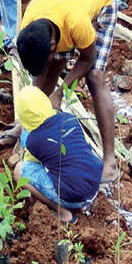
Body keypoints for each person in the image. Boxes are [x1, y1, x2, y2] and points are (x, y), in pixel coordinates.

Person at [15, 0, 119, 183]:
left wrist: (60, 92)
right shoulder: (29, 24)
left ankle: (110, 162)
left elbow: (87, 59)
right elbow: (40, 73)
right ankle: (25, 127)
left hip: (100, 1)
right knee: (51, 68)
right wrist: (29, 116)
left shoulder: (76, 22)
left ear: (52, 46)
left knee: (95, 78)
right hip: (64, 6)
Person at [13, 83, 102, 222]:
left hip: (72, 197)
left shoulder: (34, 140)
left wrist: (26, 142)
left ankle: (61, 210)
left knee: (19, 171)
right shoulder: (68, 118)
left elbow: (31, 164)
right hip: (95, 185)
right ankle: (84, 204)